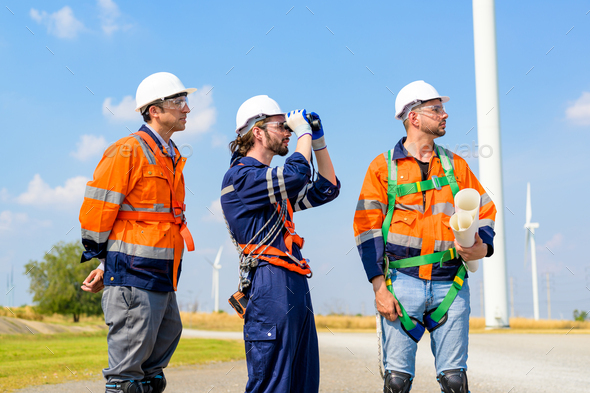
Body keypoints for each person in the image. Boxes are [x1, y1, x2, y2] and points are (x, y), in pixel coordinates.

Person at [353, 80, 497, 393]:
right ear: (414, 117)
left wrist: (483, 246)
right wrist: (379, 287)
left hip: (451, 285)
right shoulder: (382, 168)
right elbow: (367, 227)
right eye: (437, 109)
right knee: (397, 383)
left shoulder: (455, 164)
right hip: (401, 285)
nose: (445, 115)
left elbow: (485, 209)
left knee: (455, 382)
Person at [79, 72, 196, 393]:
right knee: (127, 381)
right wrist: (106, 261)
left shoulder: (170, 156)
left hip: (163, 276)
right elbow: (98, 212)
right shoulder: (127, 151)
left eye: (186, 101)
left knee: (153, 374)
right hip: (133, 276)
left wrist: (104, 266)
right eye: (179, 102)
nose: (187, 109)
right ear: (154, 110)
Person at [221, 95, 340, 393]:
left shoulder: (272, 186)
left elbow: (327, 189)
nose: (288, 132)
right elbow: (296, 174)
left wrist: (317, 141)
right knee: (273, 384)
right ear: (257, 132)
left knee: (302, 382)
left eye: (289, 127)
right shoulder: (241, 177)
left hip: (293, 282)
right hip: (268, 281)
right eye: (282, 126)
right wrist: (302, 132)